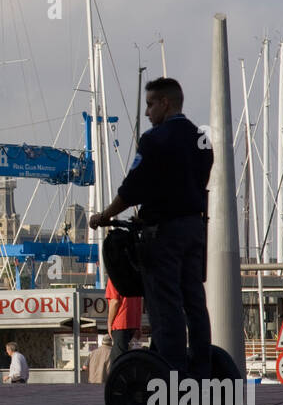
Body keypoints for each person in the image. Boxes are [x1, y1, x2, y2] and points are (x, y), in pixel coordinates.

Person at [89, 77, 214, 378]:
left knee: (165, 303)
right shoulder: (202, 139)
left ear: (164, 103)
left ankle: (173, 374)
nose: (147, 113)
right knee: (194, 301)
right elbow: (195, 183)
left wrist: (104, 215)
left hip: (164, 234)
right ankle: (203, 369)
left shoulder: (154, 139)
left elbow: (132, 188)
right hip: (195, 228)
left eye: (149, 105)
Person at [104, 277, 143, 372]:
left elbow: (115, 301)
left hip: (120, 323)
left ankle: (118, 385)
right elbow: (140, 302)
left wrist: (109, 323)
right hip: (133, 322)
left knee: (118, 360)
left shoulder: (114, 276)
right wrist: (139, 324)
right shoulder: (135, 276)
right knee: (129, 359)